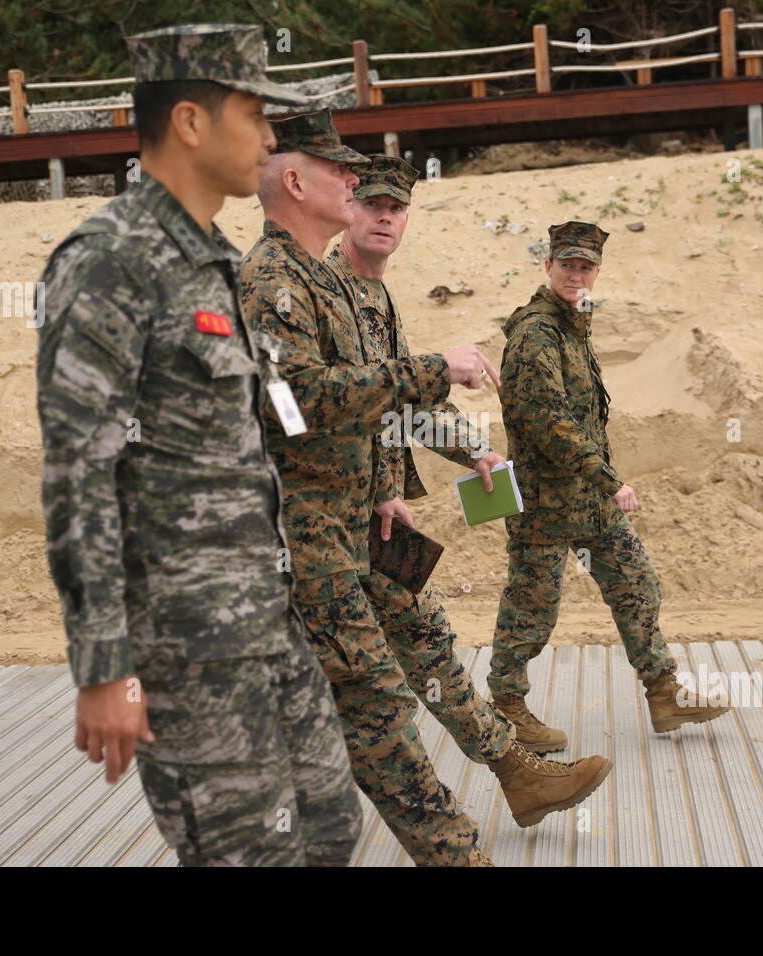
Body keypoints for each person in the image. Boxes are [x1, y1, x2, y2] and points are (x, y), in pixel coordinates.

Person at [35, 24, 359, 867]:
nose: (268, 135)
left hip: (265, 625)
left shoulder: (214, 261)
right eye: (254, 112)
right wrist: (104, 667)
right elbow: (80, 471)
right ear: (189, 122)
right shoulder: (110, 262)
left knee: (329, 828)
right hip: (185, 651)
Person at [240, 110, 506, 865]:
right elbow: (298, 401)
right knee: (375, 700)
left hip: (349, 524)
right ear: (296, 182)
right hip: (304, 535)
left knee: (359, 689)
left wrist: (385, 479)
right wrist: (430, 368)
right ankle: (457, 852)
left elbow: (355, 406)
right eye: (339, 174)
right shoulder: (273, 281)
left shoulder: (320, 277)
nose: (355, 185)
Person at [326, 155, 613, 816]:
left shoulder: (375, 295)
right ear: (348, 207)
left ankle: (519, 776)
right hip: (323, 523)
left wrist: (471, 451)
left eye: (396, 208)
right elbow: (333, 401)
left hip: (368, 517)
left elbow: (397, 402)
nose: (385, 218)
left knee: (422, 643)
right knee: (343, 674)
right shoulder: (328, 289)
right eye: (373, 205)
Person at [490, 220, 731, 749]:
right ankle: (506, 705)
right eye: (567, 264)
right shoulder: (536, 334)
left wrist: (600, 485)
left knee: (636, 585)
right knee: (532, 609)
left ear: (597, 270)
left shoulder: (575, 324)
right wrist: (608, 478)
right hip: (546, 505)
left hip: (590, 502)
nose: (577, 274)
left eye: (586, 266)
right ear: (547, 266)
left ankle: (664, 692)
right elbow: (548, 422)